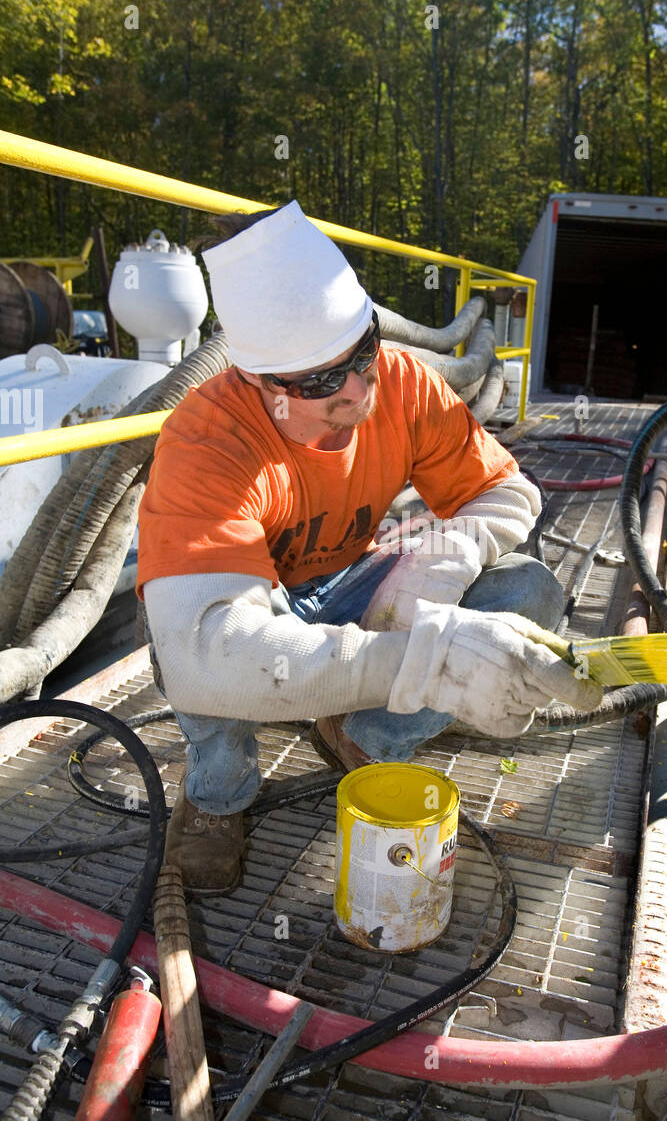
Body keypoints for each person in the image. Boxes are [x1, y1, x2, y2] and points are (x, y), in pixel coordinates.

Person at [137, 202, 602, 894]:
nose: (357, 392)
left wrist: (441, 560)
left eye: (363, 354)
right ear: (260, 384)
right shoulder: (207, 440)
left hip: (351, 586)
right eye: (322, 381)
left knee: (529, 590)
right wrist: (426, 662)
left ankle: (362, 737)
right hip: (258, 607)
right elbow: (213, 655)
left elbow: (509, 492)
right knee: (196, 643)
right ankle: (217, 797)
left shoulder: (404, 384)